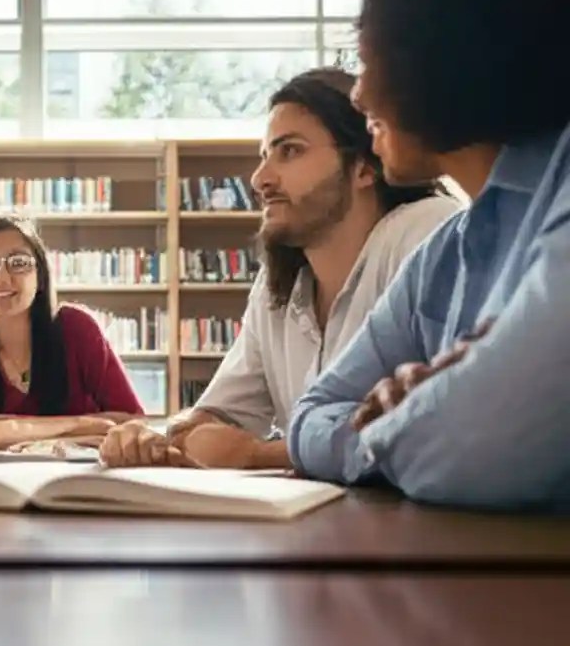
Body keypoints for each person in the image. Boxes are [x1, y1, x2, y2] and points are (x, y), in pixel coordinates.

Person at [287, 0, 570, 510]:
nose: (357, 95)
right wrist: (434, 412)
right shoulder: (438, 259)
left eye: (368, 62)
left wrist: (413, 419)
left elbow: (484, 445)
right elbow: (310, 416)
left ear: (438, 57)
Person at [100, 68, 458, 468]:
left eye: (290, 151)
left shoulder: (426, 231)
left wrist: (257, 455)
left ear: (363, 165)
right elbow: (220, 414)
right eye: (264, 156)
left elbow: (443, 420)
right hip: (317, 524)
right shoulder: (278, 284)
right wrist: (158, 436)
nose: (260, 179)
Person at [0, 215, 144, 450]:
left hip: (79, 482)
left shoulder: (76, 328)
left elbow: (132, 421)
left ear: (41, 276)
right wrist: (79, 425)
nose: (1, 279)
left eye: (18, 263)